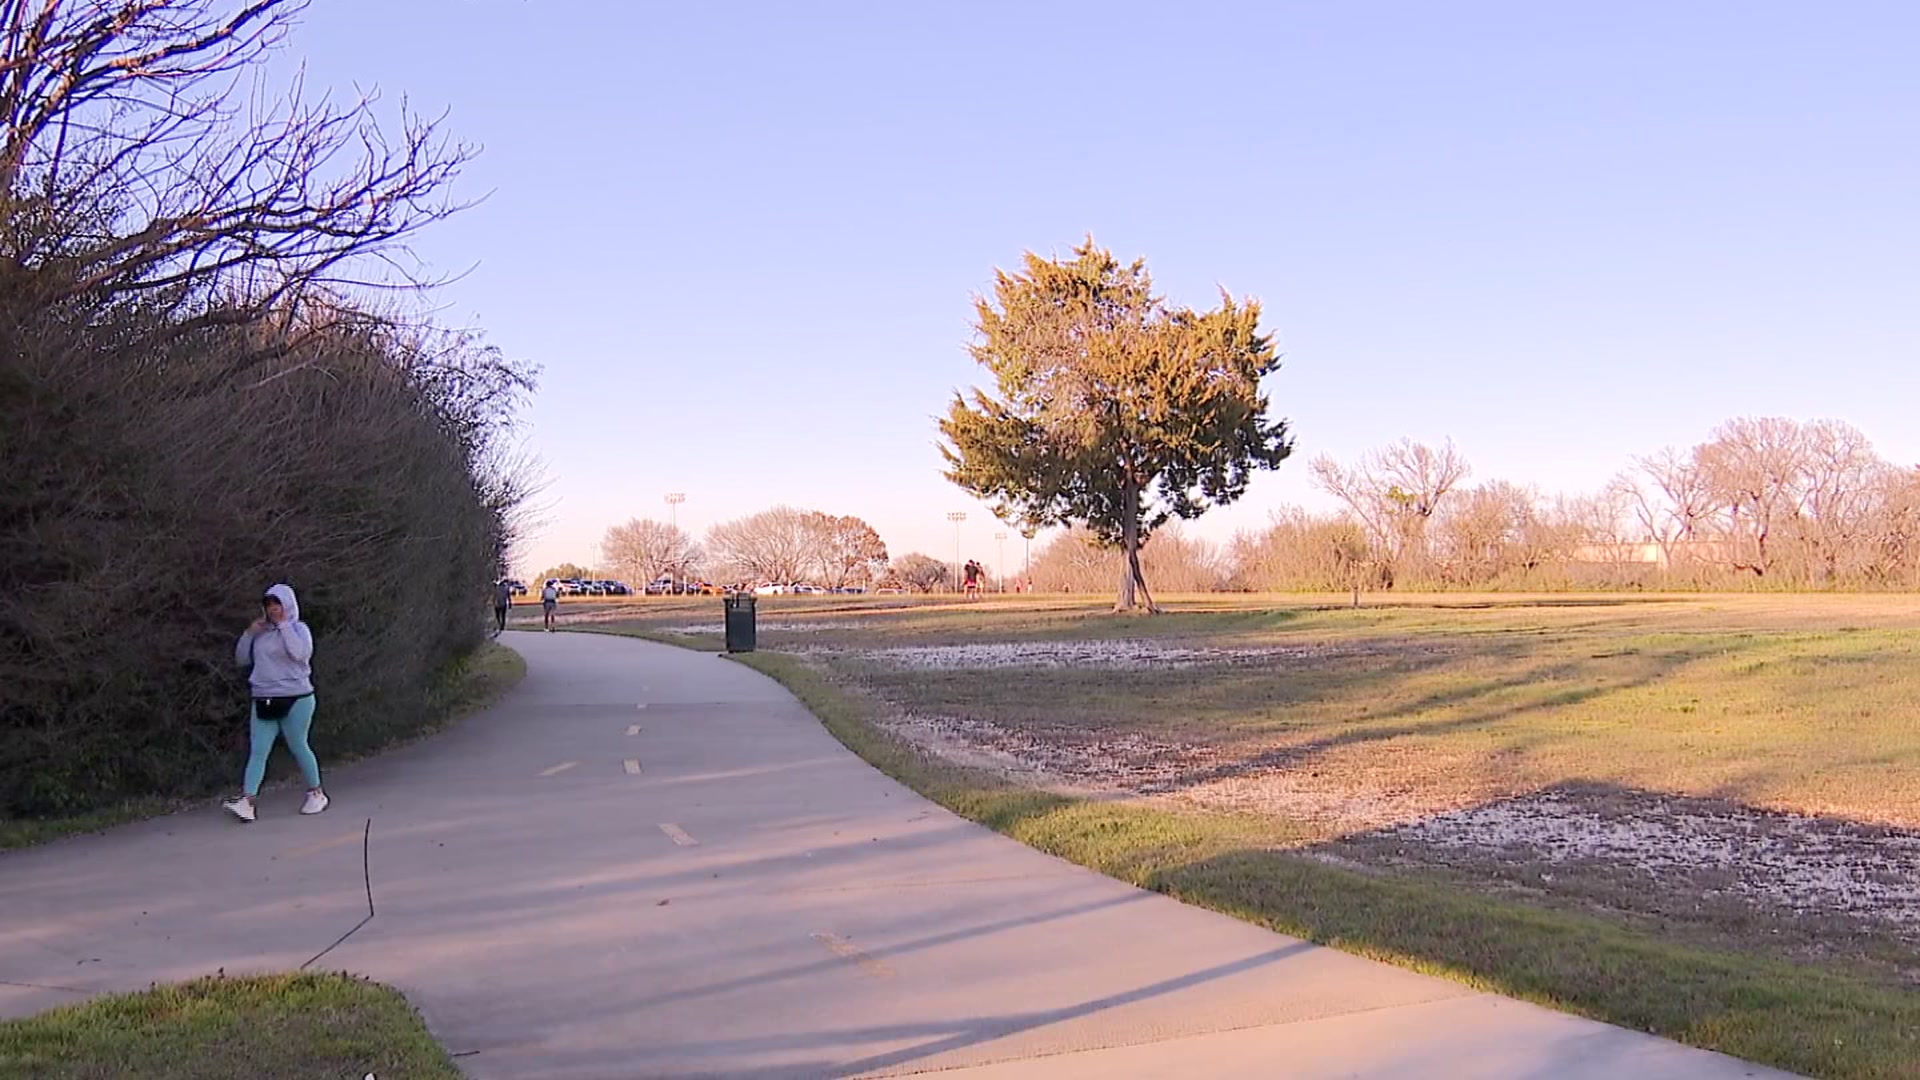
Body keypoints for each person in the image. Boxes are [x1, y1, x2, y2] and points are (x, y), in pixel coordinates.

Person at [224, 584, 327, 822]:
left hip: (297, 697)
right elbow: (241, 659)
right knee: (258, 749)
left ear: (287, 605)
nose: (273, 610)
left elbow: (300, 654)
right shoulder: (261, 634)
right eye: (269, 605)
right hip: (264, 696)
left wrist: (284, 626)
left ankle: (316, 793)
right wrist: (249, 634)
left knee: (298, 744)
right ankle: (248, 801)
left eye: (277, 604)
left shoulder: (299, 629)